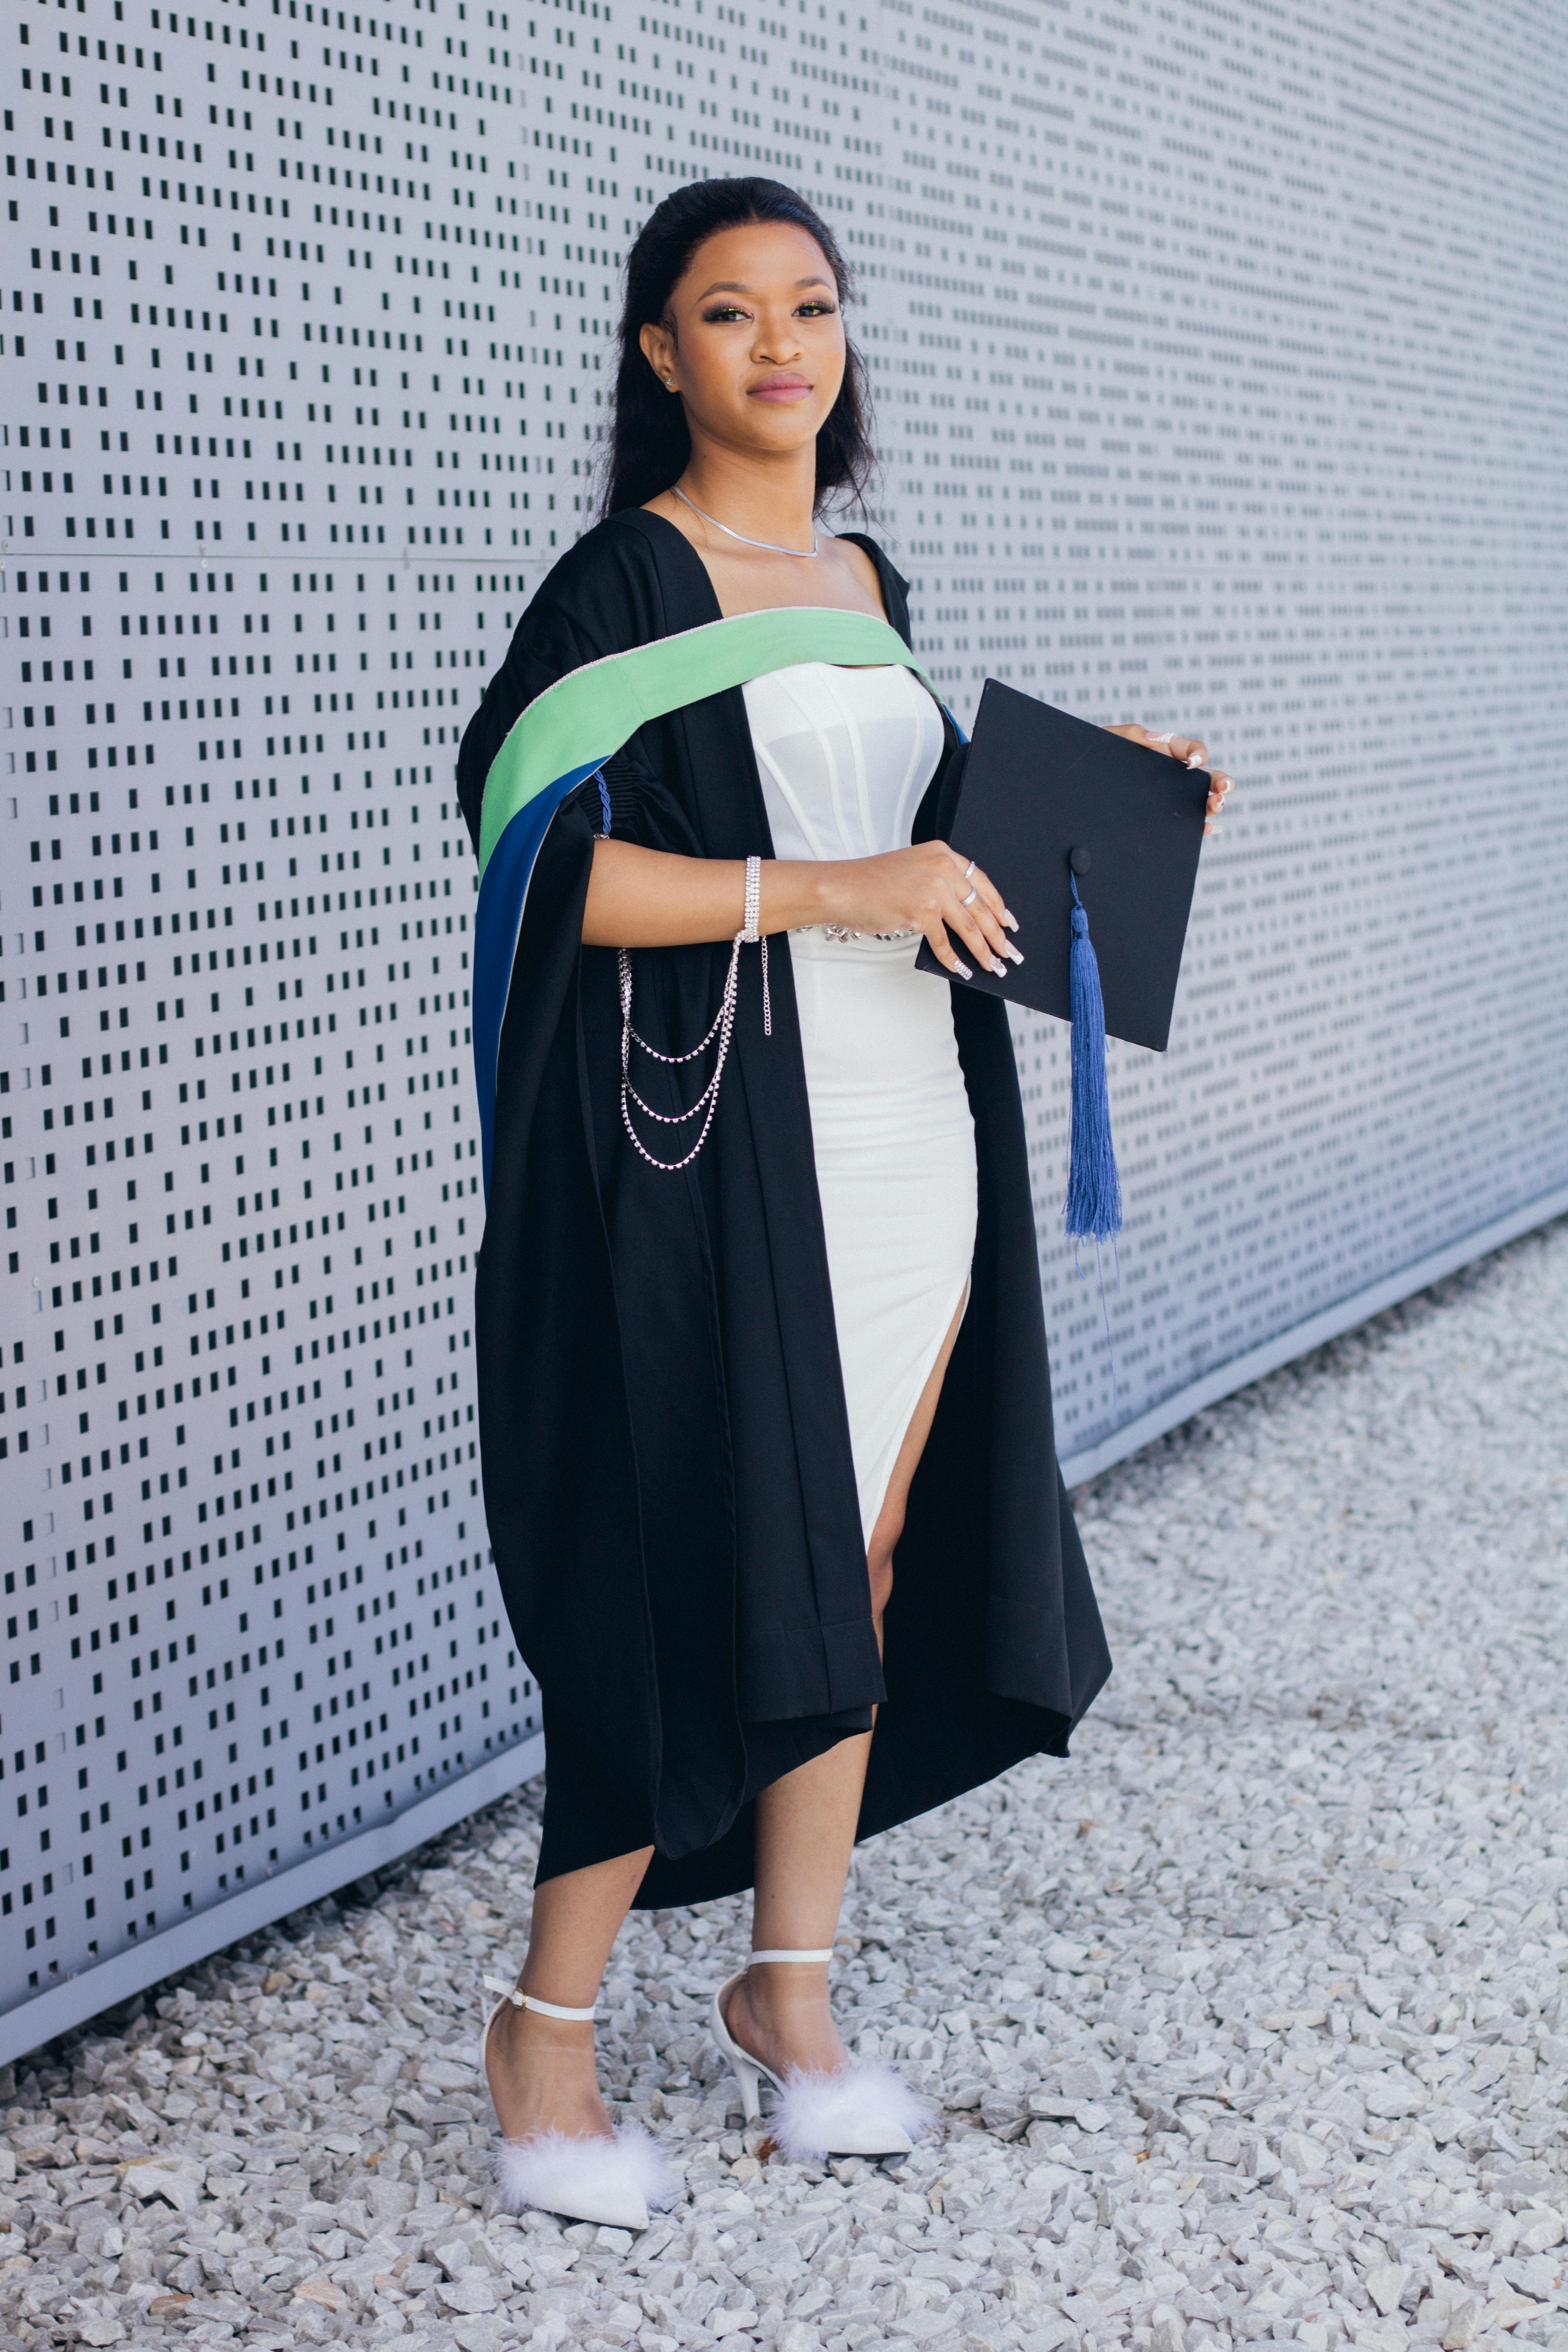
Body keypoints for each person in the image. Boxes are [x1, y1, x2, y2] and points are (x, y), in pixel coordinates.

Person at [456, 176, 1234, 2229]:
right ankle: (546, 2028)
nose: (783, 345)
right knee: (694, 1571)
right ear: (661, 355)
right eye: (730, 314)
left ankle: (787, 2001)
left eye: (812, 307)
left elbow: (929, 869)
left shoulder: (866, 573)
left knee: (863, 1564)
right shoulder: (620, 588)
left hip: (910, 1127)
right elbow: (545, 876)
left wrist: (1100, 808)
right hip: (710, 1158)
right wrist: (832, 889)